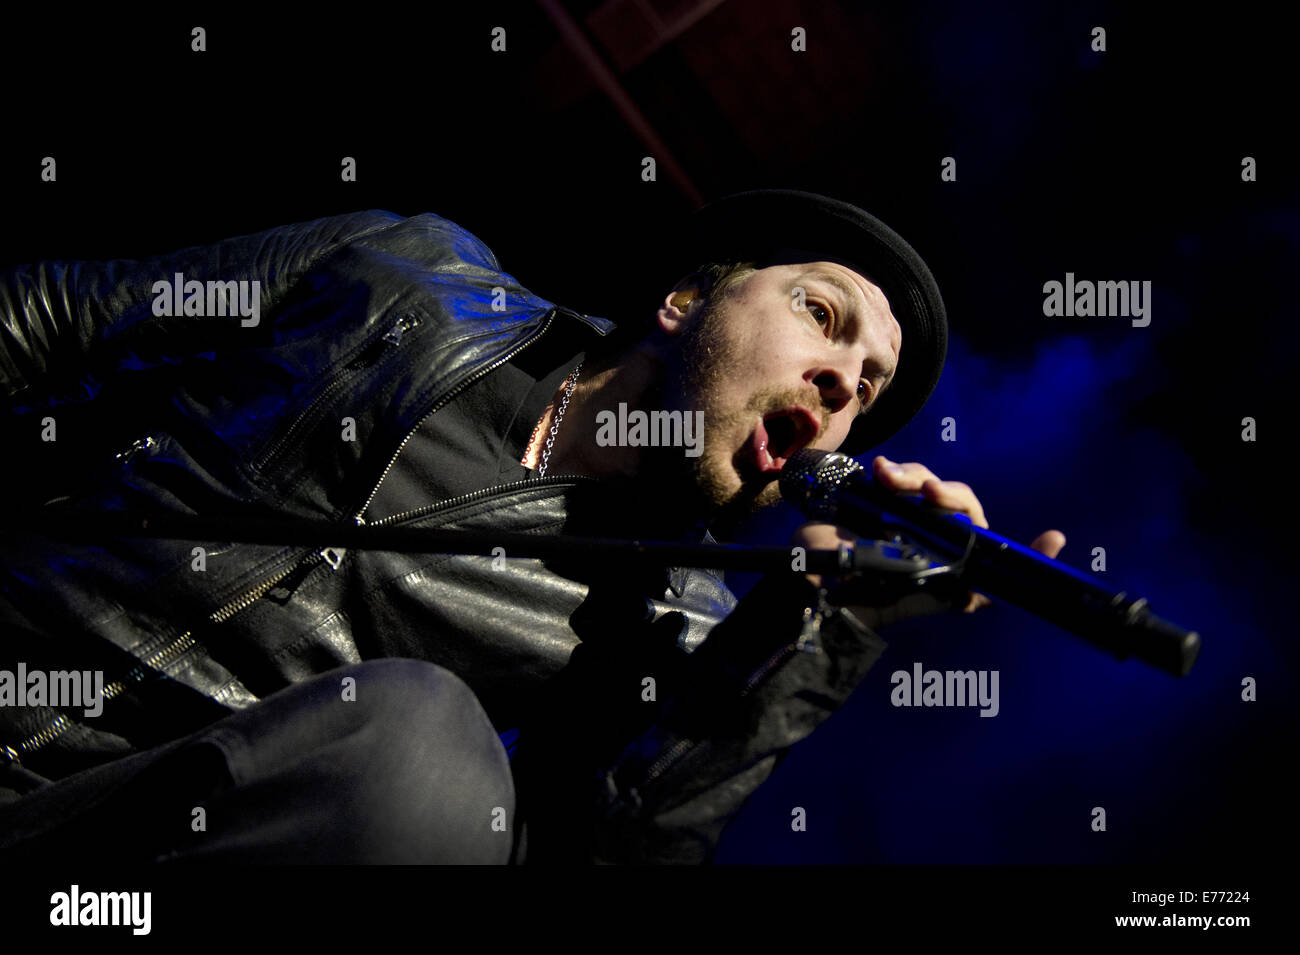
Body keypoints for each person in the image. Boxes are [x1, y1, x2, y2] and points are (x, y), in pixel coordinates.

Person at [0, 189, 1064, 864]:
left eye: (865, 392)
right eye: (819, 316)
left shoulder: (670, 633)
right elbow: (56, 317)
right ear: (686, 302)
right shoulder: (411, 280)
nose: (841, 382)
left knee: (425, 754)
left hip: (98, 857)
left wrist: (826, 624)